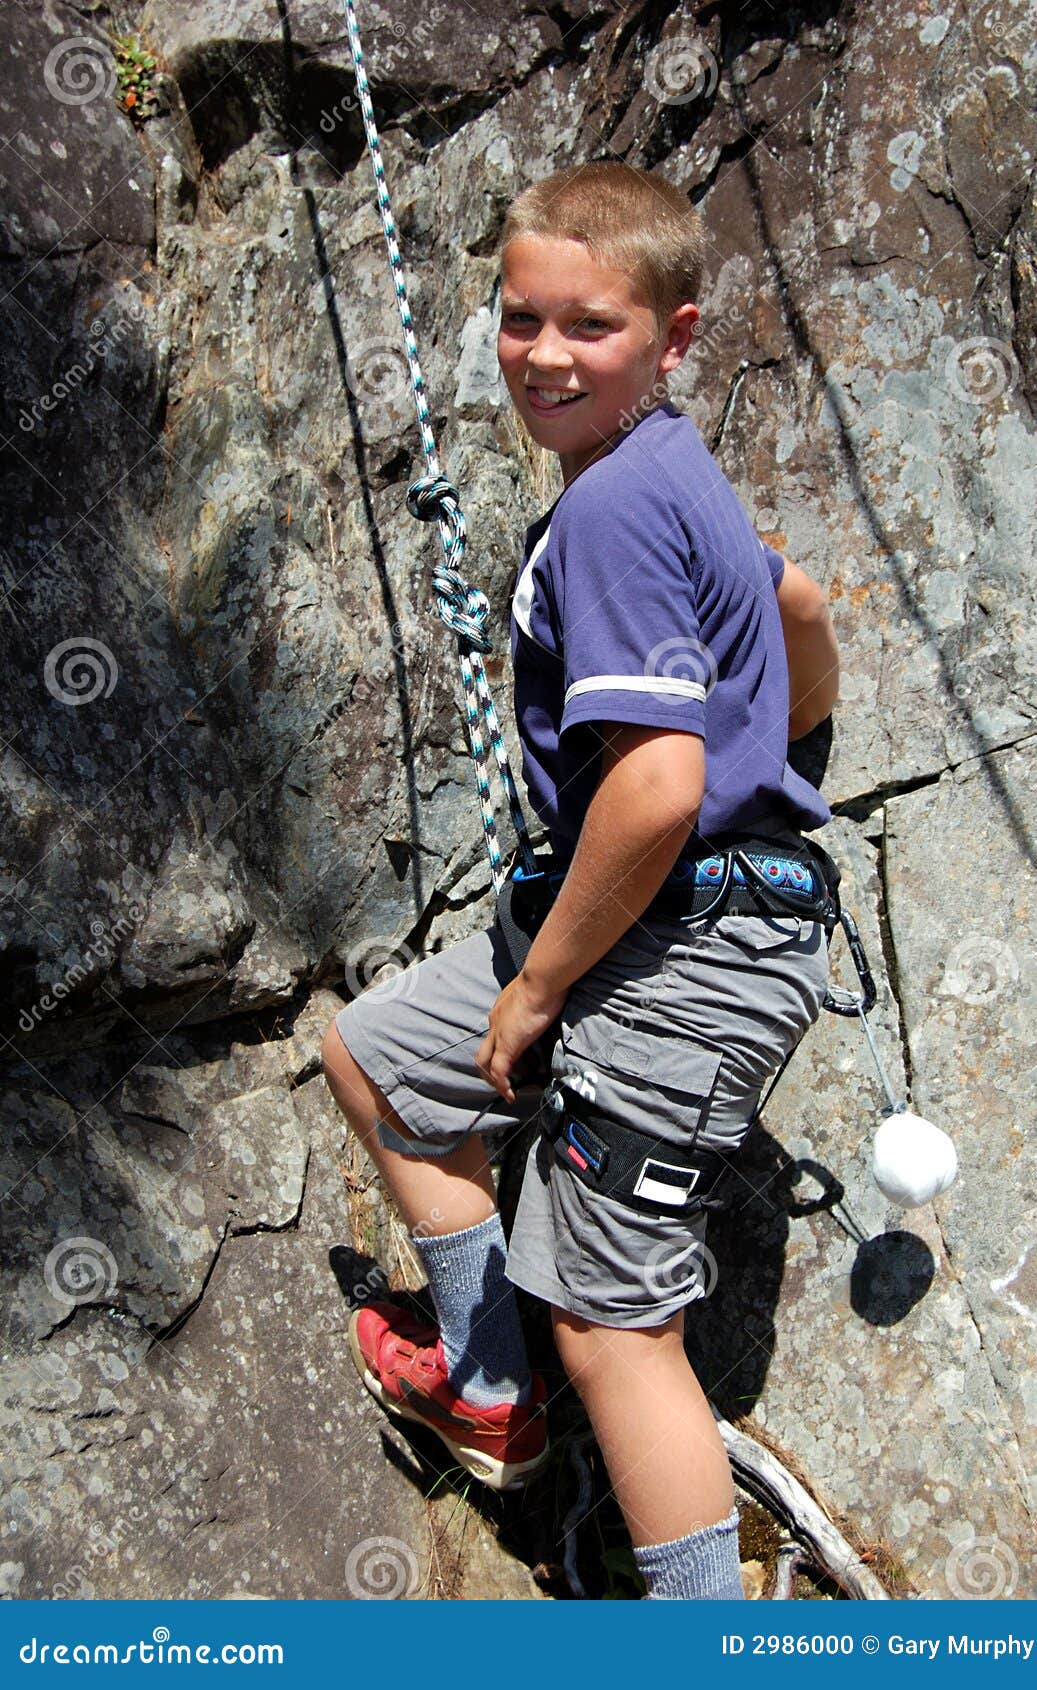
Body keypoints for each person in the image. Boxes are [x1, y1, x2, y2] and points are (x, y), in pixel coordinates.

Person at [321, 160, 841, 1600]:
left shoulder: (609, 511)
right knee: (377, 1058)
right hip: (652, 913)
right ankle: (492, 1387)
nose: (545, 353)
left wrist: (542, 982)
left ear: (673, 340)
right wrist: (795, 741)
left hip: (686, 945)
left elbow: (660, 784)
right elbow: (797, 608)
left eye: (591, 327)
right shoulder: (666, 472)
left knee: (615, 1325)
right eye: (519, 316)